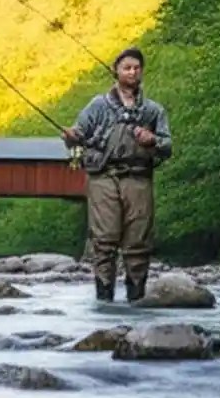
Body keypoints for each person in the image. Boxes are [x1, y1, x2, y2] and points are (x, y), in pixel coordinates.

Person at [61, 47, 172, 302]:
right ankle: (104, 300)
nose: (132, 71)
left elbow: (168, 147)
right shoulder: (98, 105)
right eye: (127, 67)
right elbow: (78, 135)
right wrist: (71, 137)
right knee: (105, 240)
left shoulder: (153, 111)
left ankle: (136, 299)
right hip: (103, 177)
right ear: (116, 72)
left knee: (138, 243)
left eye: (137, 67)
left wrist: (152, 139)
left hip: (139, 177)